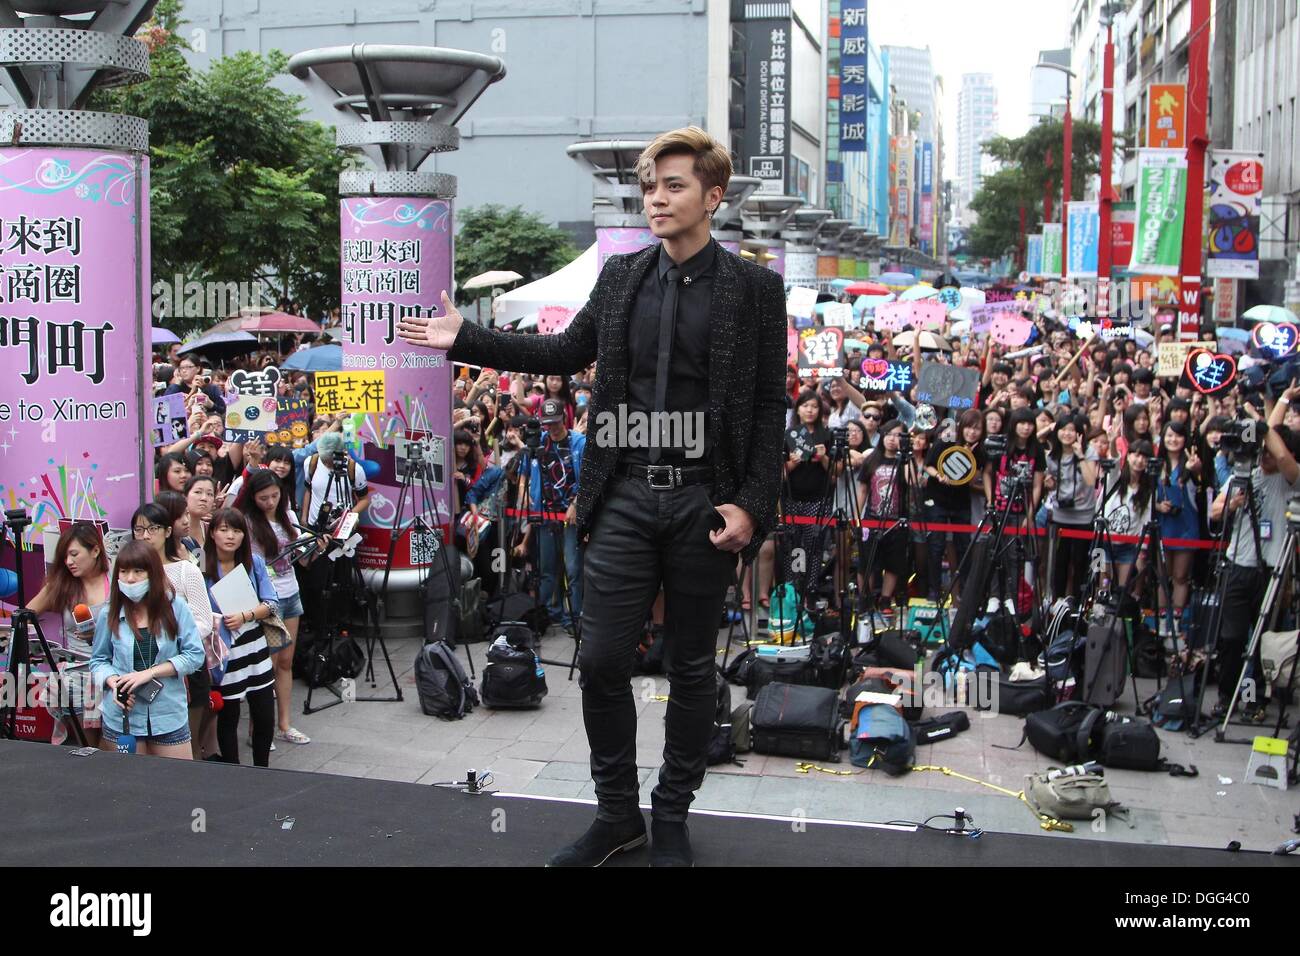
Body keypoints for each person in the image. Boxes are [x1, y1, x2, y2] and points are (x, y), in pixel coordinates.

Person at [397, 125, 786, 867]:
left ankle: (671, 813)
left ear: (714, 196)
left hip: (706, 500)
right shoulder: (621, 278)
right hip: (624, 495)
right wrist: (466, 338)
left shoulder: (755, 290)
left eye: (673, 186)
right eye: (649, 188)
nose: (657, 200)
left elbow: (770, 406)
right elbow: (561, 353)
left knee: (692, 666)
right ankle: (618, 815)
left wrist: (753, 505)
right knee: (603, 659)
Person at [1208, 389, 1300, 717]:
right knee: (1231, 638)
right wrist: (1229, 503)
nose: (1265, 456)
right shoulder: (1246, 473)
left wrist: (1266, 417)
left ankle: (1254, 699)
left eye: (1270, 452)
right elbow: (1216, 512)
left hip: (1271, 570)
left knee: (1262, 641)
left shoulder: (1291, 480)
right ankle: (1226, 697)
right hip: (1237, 565)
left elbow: (1284, 456)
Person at [89, 541, 205, 758]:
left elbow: (195, 655)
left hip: (168, 714)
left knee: (176, 783)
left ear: (153, 573)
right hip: (123, 717)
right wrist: (114, 682)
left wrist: (150, 673)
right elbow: (98, 661)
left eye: (138, 571)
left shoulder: (175, 607)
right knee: (129, 786)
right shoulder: (109, 612)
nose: (130, 578)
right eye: (123, 571)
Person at [130, 502, 219, 759]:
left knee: (185, 744)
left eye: (152, 528)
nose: (145, 535)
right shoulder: (131, 574)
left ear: (168, 532)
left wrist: (171, 643)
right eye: (138, 529)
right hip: (140, 668)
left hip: (184, 667)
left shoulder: (186, 569)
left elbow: (203, 621)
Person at [236, 470, 310, 745]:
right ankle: (259, 729)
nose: (270, 502)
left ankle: (284, 724)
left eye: (275, 496)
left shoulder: (289, 517)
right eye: (264, 498)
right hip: (268, 600)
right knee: (267, 665)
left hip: (291, 593)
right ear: (253, 498)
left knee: (286, 662)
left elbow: (302, 561)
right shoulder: (248, 524)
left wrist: (314, 546)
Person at [202, 509, 279, 766]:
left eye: (236, 530)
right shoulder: (201, 569)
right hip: (226, 649)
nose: (230, 536)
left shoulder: (253, 562)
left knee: (265, 714)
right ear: (212, 533)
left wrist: (246, 615)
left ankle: (262, 768)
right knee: (229, 714)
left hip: (255, 645)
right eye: (223, 530)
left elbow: (272, 602)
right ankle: (233, 770)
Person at [513, 397, 585, 628]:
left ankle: (573, 616)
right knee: (547, 570)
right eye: (547, 423)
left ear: (564, 418)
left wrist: (575, 503)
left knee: (573, 570)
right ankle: (549, 613)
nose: (552, 427)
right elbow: (523, 472)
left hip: (570, 517)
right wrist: (524, 489)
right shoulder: (538, 443)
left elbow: (587, 479)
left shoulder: (578, 443)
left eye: (555, 422)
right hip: (544, 516)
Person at [782, 389, 833, 601]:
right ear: (798, 409)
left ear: (820, 410)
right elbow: (780, 475)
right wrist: (792, 463)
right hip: (792, 497)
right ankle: (791, 588)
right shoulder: (788, 435)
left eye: (814, 406)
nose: (810, 410)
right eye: (806, 406)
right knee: (792, 544)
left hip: (818, 498)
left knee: (813, 544)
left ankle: (810, 589)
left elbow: (836, 473)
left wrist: (823, 457)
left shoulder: (827, 435)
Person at [859, 419, 912, 615]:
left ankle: (885, 600)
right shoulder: (872, 459)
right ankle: (865, 598)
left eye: (898, 435)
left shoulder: (905, 460)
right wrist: (857, 517)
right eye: (889, 434)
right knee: (867, 562)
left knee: (893, 562)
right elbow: (863, 489)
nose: (892, 439)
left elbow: (910, 481)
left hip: (897, 521)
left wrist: (906, 456)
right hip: (872, 518)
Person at [1153, 420, 1202, 630]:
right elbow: (1145, 495)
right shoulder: (1156, 463)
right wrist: (1157, 506)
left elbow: (1201, 480)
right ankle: (1162, 621)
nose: (1173, 440)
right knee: (1162, 576)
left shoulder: (1190, 463)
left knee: (1180, 577)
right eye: (1169, 435)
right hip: (1163, 524)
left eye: (1178, 435)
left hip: (1186, 526)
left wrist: (1196, 469)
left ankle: (1177, 621)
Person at [1045, 416, 1099, 601]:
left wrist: (1080, 455)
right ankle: (1057, 601)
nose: (1067, 434)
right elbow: (1052, 484)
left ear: (1078, 434)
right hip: (1061, 515)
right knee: (1060, 562)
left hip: (1084, 516)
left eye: (1071, 430)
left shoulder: (1088, 451)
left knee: (1080, 562)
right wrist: (1049, 484)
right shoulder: (1052, 456)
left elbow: (1091, 480)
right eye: (1063, 429)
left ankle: (1077, 602)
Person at [1102, 439, 1154, 588]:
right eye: (1136, 455)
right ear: (1129, 456)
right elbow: (1114, 461)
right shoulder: (1116, 478)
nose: (1139, 461)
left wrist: (1142, 549)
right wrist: (1112, 441)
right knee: (1102, 586)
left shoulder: (1147, 489)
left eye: (1144, 457)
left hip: (1128, 546)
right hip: (1103, 541)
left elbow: (1146, 520)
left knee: (1122, 588)